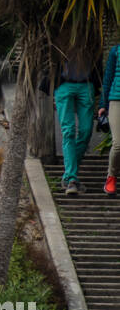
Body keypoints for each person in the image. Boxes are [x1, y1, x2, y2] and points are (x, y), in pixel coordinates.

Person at [52, 42, 101, 195]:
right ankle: (72, 179)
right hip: (64, 84)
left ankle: (68, 175)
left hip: (86, 84)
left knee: (86, 131)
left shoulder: (92, 34)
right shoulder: (59, 32)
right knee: (68, 131)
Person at [97, 38, 120, 195]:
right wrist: (102, 105)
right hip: (116, 100)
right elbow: (108, 78)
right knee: (118, 144)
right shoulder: (116, 50)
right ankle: (111, 177)